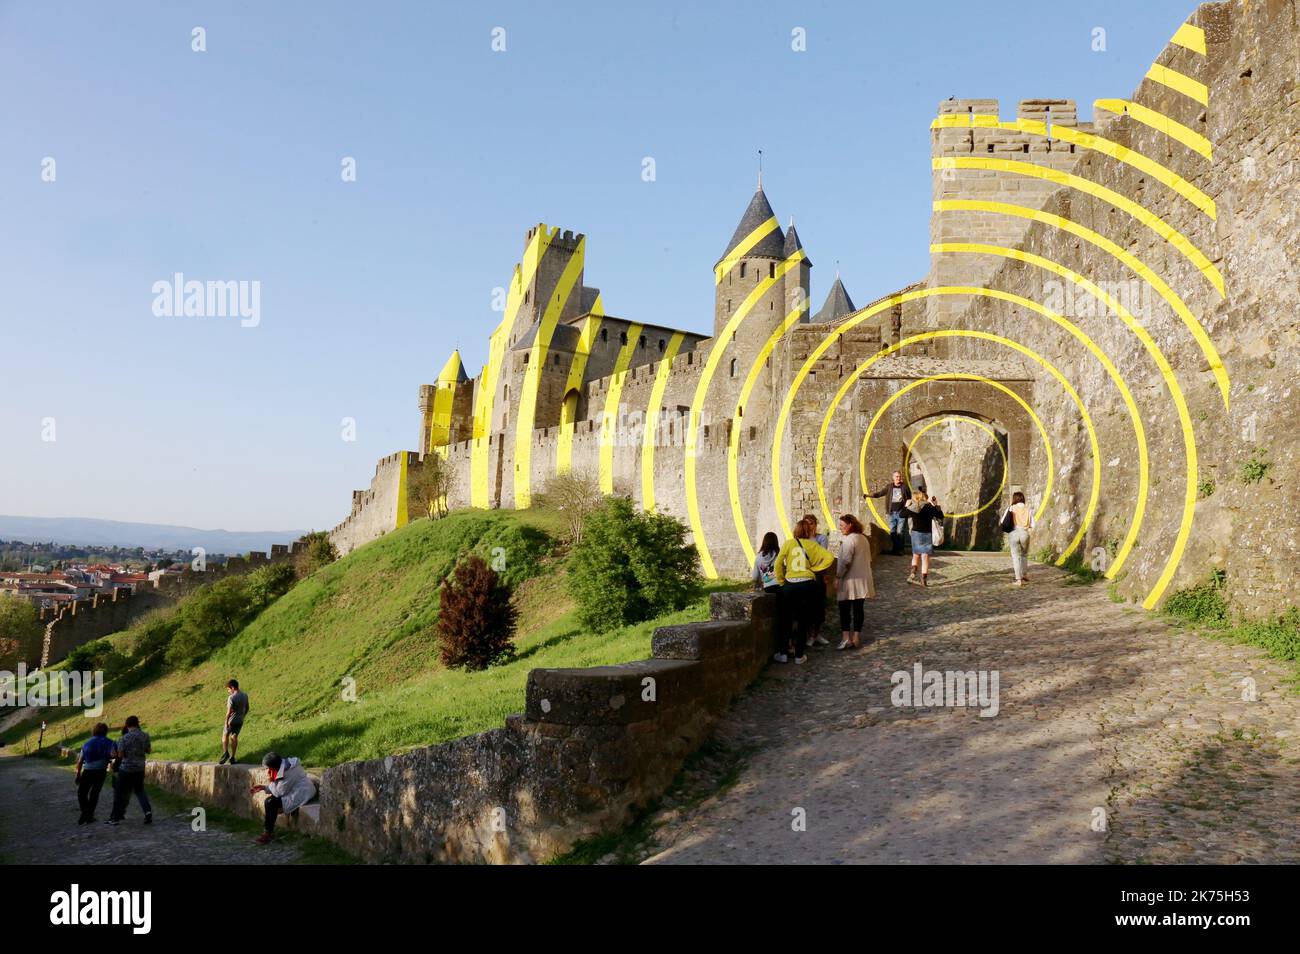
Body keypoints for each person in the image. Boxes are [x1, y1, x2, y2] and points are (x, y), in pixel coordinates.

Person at [773, 519, 835, 665]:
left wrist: (782, 581)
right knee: (803, 620)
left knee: (786, 620)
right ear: (809, 531)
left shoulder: (788, 543)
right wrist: (815, 570)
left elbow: (778, 564)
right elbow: (830, 558)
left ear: (796, 530)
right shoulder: (812, 544)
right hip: (808, 584)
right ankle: (799, 656)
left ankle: (783, 653)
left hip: (790, 584)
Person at [250, 752, 317, 845]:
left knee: (270, 802)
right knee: (271, 801)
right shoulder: (287, 765)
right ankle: (269, 831)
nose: (268, 771)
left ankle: (268, 834)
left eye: (269, 768)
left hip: (302, 793)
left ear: (274, 767)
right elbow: (279, 787)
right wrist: (264, 787)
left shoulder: (288, 772)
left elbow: (279, 792)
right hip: (297, 790)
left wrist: (269, 783)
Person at [835, 514, 876, 649]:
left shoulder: (849, 540)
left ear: (849, 525)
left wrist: (838, 576)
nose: (840, 528)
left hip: (850, 580)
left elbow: (846, 561)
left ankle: (846, 637)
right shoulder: (863, 538)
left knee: (844, 609)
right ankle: (856, 636)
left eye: (842, 525)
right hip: (863, 578)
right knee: (858, 609)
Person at [106, 716, 152, 826]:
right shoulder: (145, 736)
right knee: (140, 791)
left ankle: (115, 818)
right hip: (140, 768)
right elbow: (148, 750)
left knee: (119, 793)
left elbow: (120, 755)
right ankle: (148, 812)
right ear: (138, 723)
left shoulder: (123, 738)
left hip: (126, 769)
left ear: (127, 725)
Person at [800, 515, 832, 646]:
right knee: (807, 606)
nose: (810, 526)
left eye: (812, 523)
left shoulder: (821, 538)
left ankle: (816, 634)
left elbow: (822, 556)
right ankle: (809, 634)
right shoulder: (799, 540)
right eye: (807, 524)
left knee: (819, 606)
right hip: (805, 576)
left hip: (818, 575)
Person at [74, 722, 114, 825]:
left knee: (82, 793)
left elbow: (80, 761)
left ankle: (85, 813)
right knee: (94, 794)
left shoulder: (87, 743)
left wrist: (78, 774)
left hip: (87, 770)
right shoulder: (110, 742)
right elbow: (114, 754)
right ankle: (88, 815)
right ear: (105, 731)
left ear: (94, 731)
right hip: (101, 771)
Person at [906, 492, 945, 587]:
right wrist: (935, 505)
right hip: (927, 534)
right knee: (925, 557)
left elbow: (902, 515)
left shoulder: (913, 507)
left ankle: (913, 571)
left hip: (916, 534)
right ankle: (923, 579)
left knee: (915, 555)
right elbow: (941, 516)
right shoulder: (929, 508)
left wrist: (906, 506)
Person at [869, 471, 913, 555]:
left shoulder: (904, 487)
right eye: (896, 477)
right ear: (893, 478)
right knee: (892, 532)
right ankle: (896, 549)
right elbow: (880, 493)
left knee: (900, 532)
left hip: (901, 512)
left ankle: (900, 550)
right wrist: (869, 495)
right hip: (891, 513)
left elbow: (909, 498)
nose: (898, 478)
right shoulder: (889, 487)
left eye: (899, 477)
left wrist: (907, 506)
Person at [1004, 491, 1034, 585]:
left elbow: (1002, 521)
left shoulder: (1011, 508)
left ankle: (1018, 580)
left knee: (1015, 557)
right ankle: (1024, 574)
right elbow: (1033, 524)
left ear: (1014, 499)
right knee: (1024, 555)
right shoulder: (1028, 509)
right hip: (1025, 533)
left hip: (1014, 532)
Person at [219, 678, 250, 765]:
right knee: (234, 737)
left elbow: (228, 712)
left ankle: (225, 753)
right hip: (240, 720)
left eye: (228, 689)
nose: (228, 691)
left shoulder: (231, 697)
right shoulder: (245, 695)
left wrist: (226, 722)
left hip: (231, 721)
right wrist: (242, 716)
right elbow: (247, 708)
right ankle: (233, 757)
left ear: (232, 687)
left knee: (225, 736)